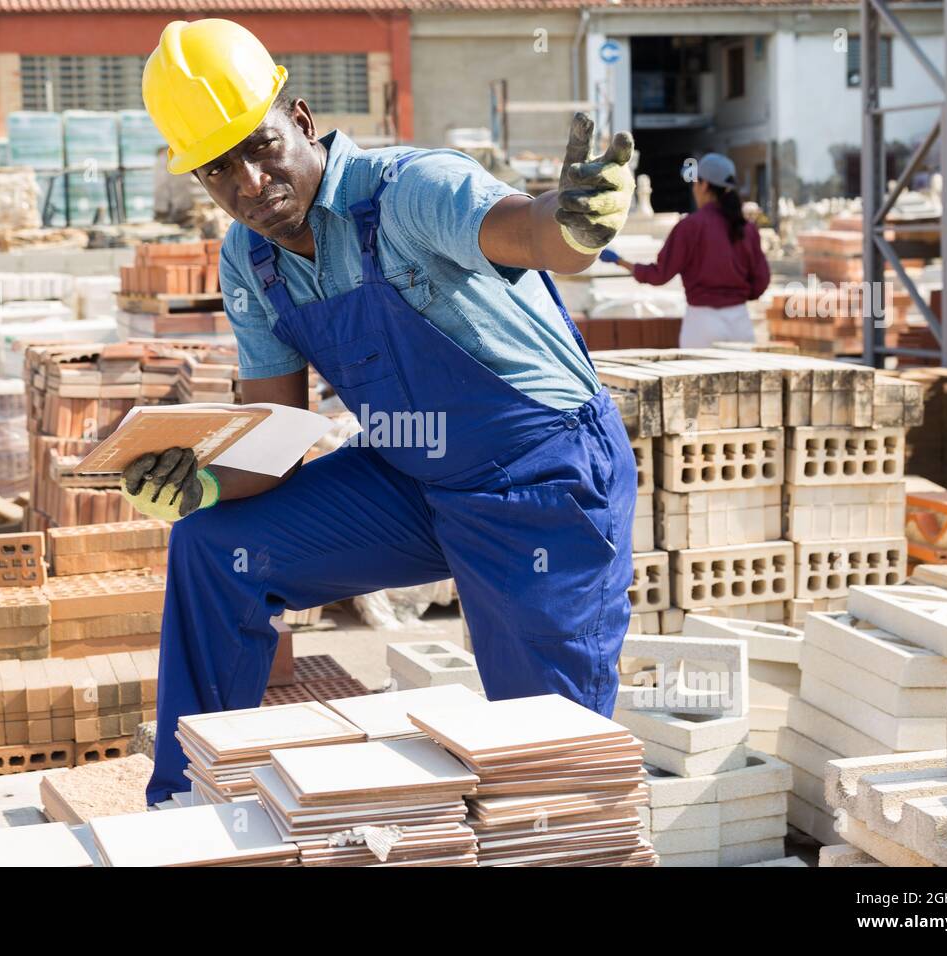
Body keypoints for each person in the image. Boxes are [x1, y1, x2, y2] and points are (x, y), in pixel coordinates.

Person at [131, 19, 640, 803]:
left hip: (541, 480)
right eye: (217, 170)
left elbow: (532, 233)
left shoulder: (409, 189)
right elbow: (275, 440)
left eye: (260, 147)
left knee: (545, 761)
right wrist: (198, 483)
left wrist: (575, 221)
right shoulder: (251, 259)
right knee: (212, 548)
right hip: (414, 483)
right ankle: (188, 804)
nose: (250, 184)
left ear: (301, 119)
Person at [607, 153, 769, 348]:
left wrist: (619, 261)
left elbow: (659, 275)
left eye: (695, 183)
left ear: (704, 186)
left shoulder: (690, 227)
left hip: (703, 325)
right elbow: (761, 280)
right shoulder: (746, 228)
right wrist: (736, 296)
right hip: (741, 324)